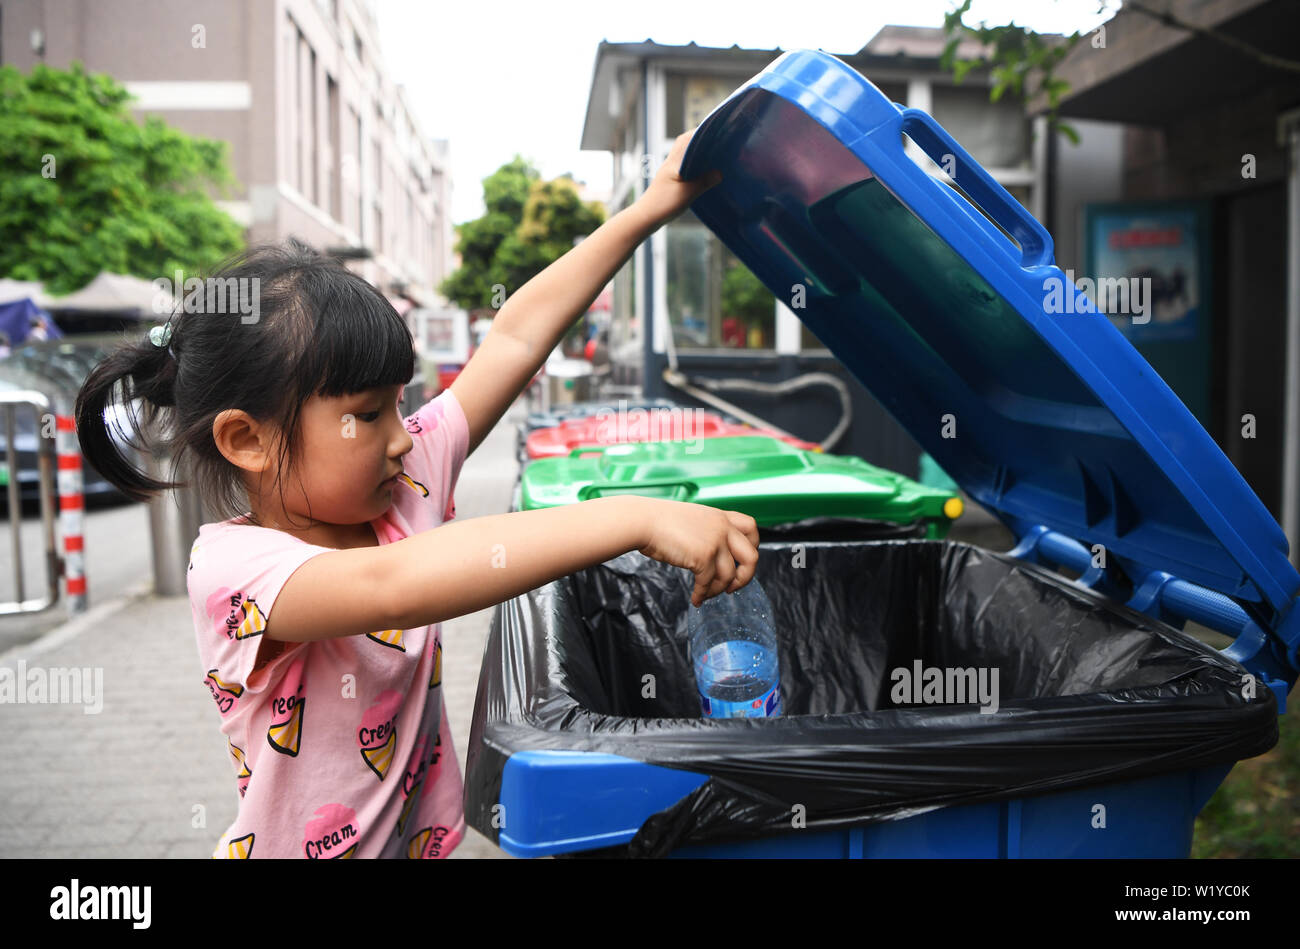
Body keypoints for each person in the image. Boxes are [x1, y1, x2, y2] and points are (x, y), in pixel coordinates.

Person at [73, 129, 749, 860]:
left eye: (403, 403)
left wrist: (648, 209)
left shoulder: (399, 478)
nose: (403, 435)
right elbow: (394, 587)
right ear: (248, 440)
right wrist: (634, 517)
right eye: (365, 414)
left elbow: (516, 338)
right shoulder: (235, 573)